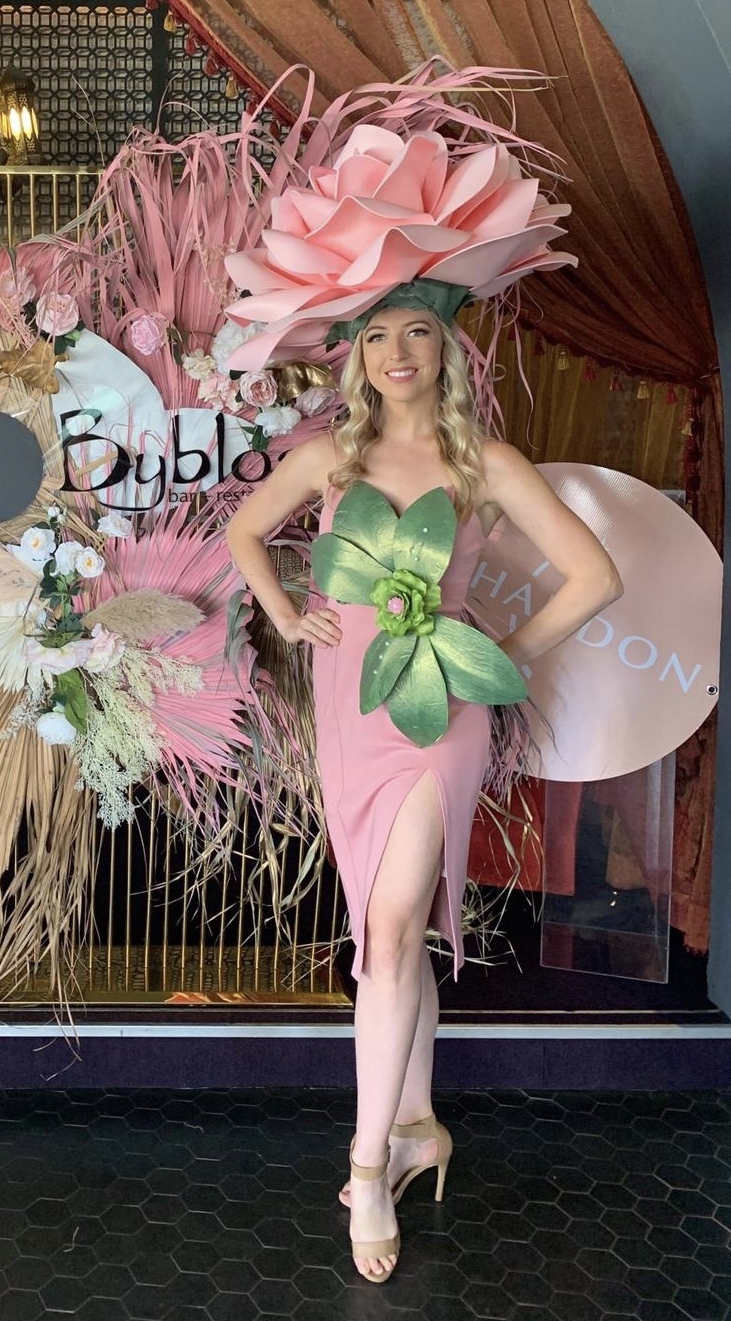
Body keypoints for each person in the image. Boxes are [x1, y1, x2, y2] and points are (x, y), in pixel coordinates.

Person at [226, 299, 622, 1283]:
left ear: (447, 349)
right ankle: (414, 1123)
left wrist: (495, 654)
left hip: (440, 710)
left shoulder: (485, 461)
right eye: (376, 336)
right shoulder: (330, 458)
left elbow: (595, 576)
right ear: (357, 356)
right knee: (386, 925)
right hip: (348, 709)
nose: (397, 352)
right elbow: (244, 532)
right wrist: (288, 614)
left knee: (394, 923)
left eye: (416, 332)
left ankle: (367, 1168)